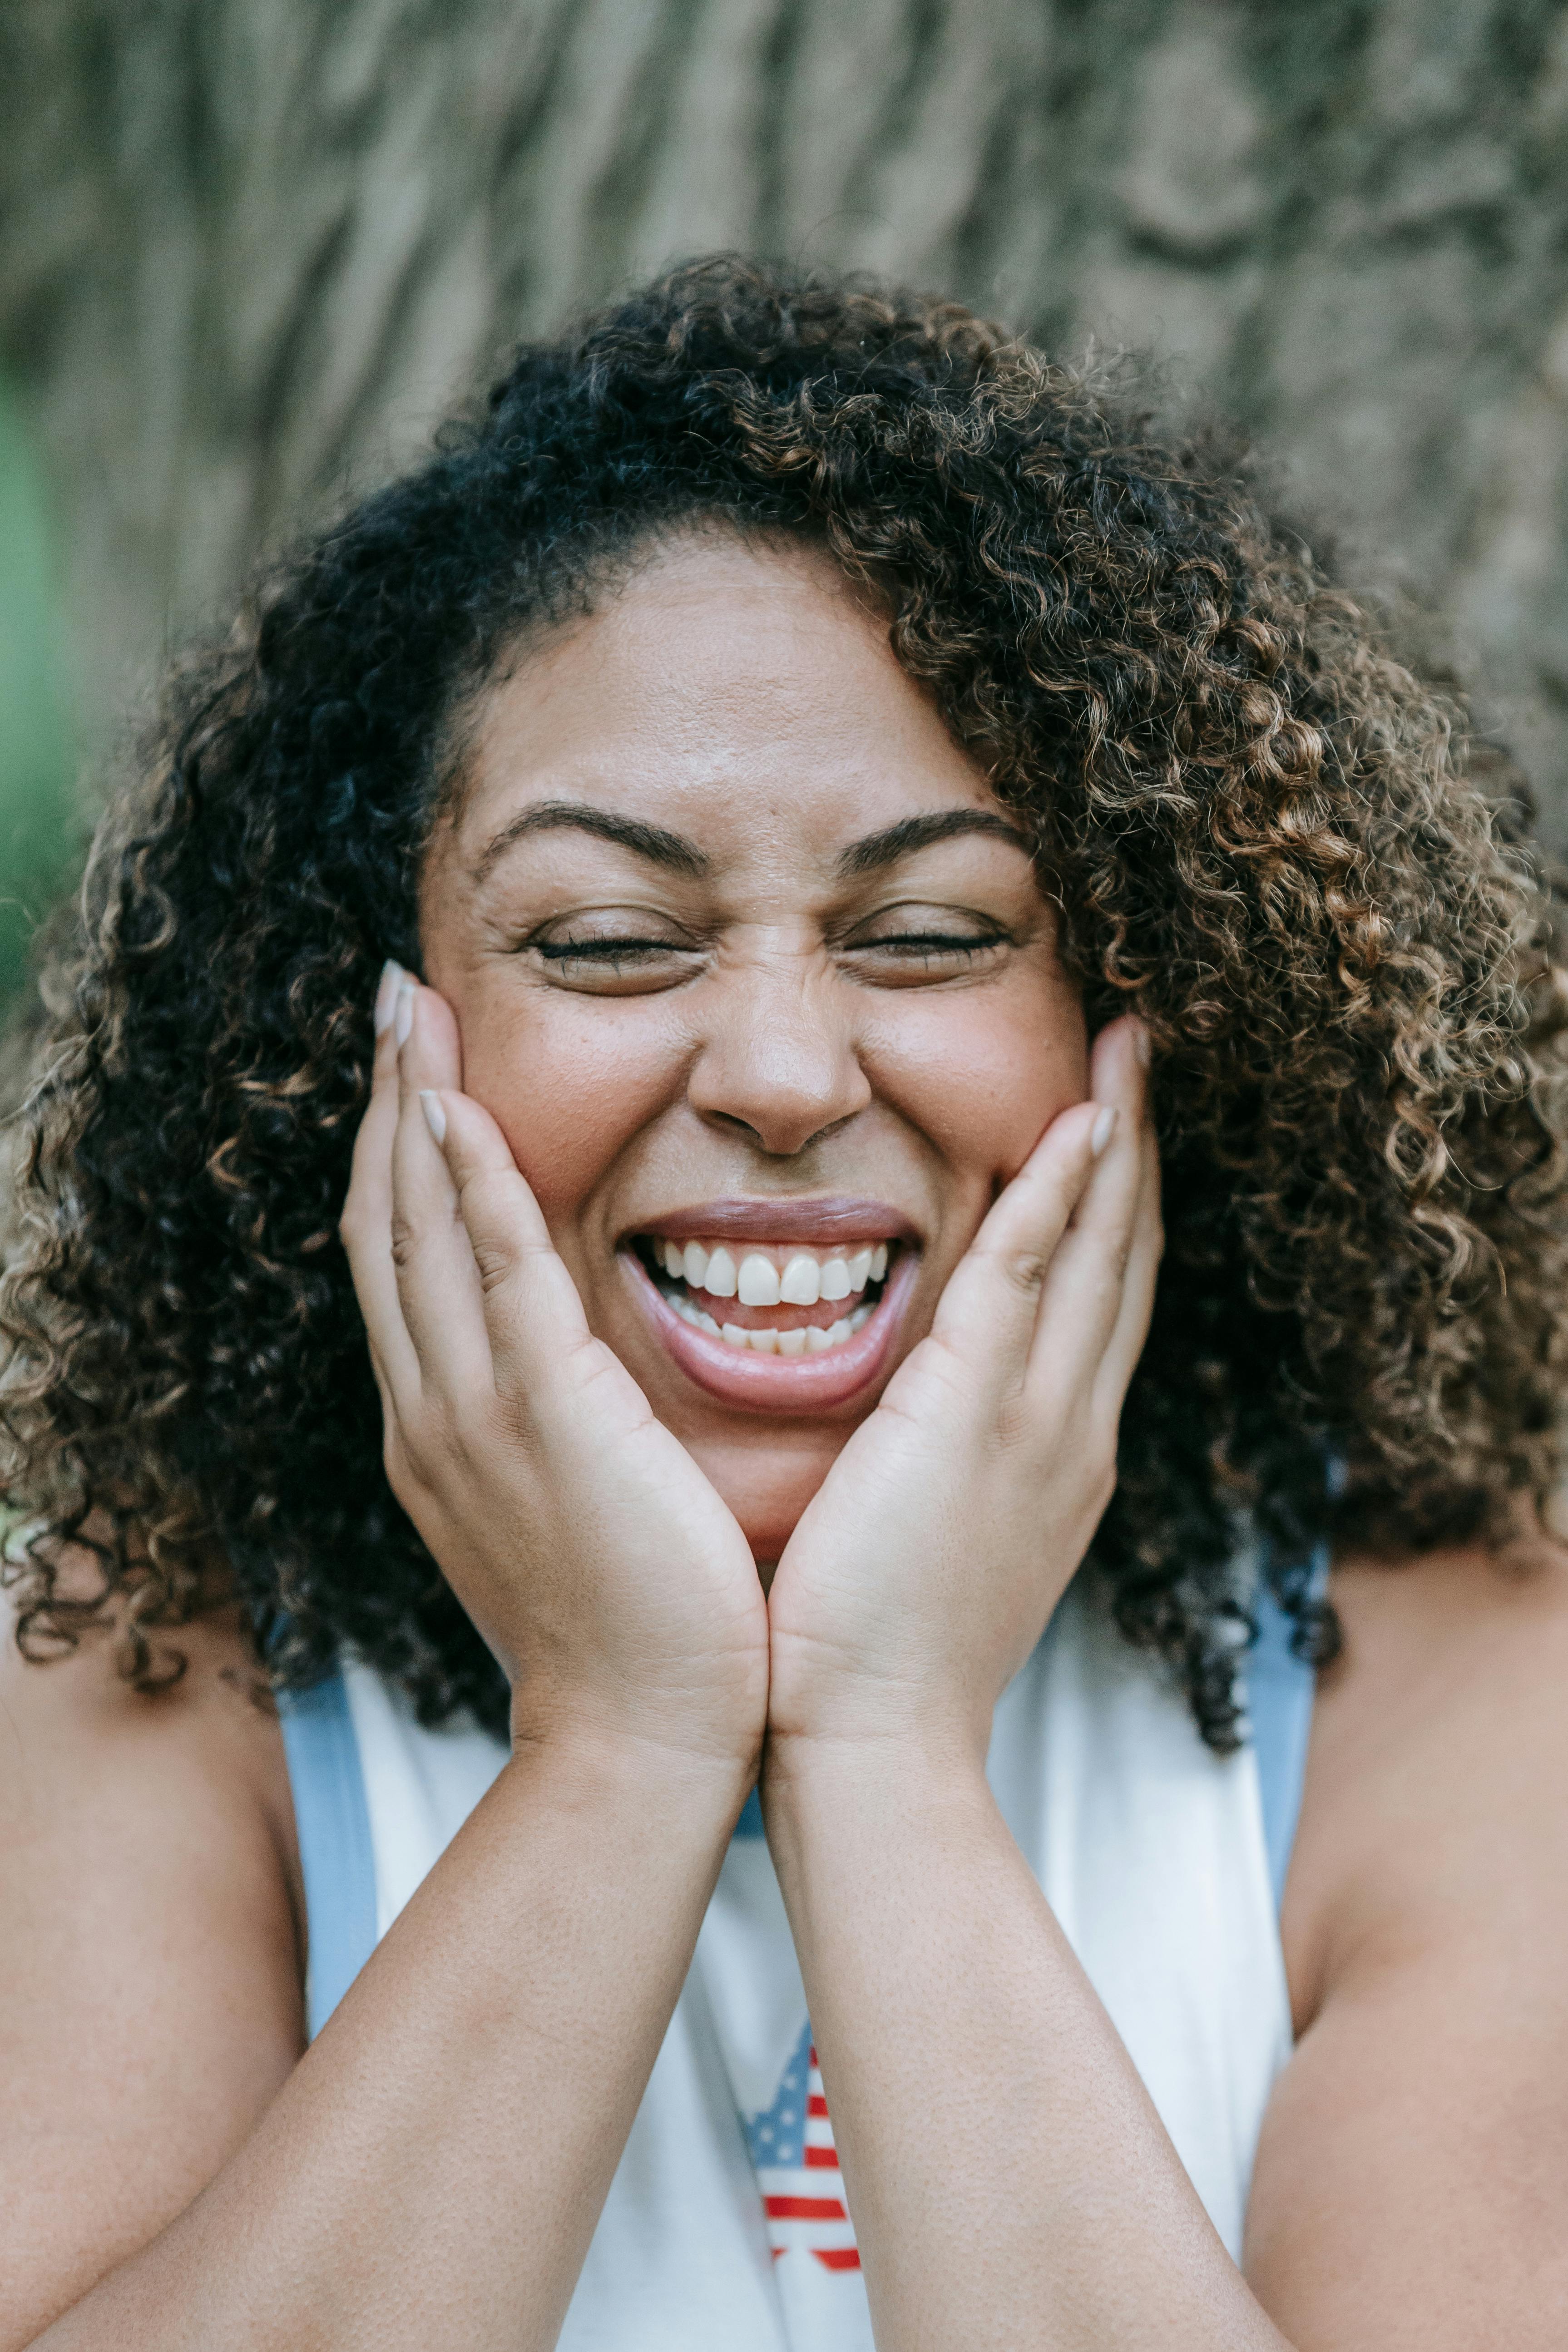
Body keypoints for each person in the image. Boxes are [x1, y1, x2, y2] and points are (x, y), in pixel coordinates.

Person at [3, 256, 1567, 2352]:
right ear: (357, 1034)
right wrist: (620, 1738)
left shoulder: (1443, 1675)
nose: (778, 1071)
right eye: (606, 937)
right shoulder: (150, 1659)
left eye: (928, 932)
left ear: (1148, 1013)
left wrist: (887, 1744)